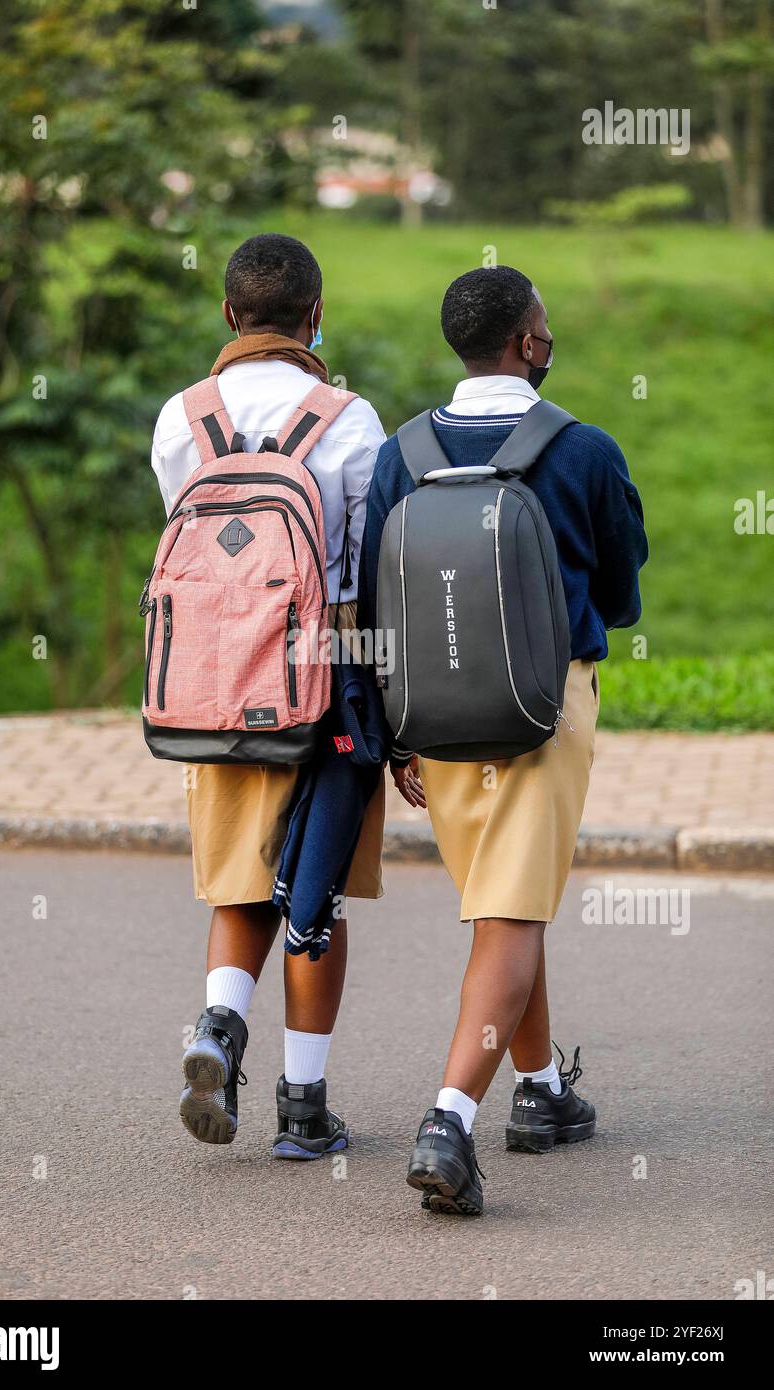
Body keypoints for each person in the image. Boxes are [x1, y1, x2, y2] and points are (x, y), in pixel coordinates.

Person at [358, 265, 648, 1215]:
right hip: (541, 709)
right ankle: (449, 1120)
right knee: (513, 913)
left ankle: (542, 1093)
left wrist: (393, 726)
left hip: (433, 716)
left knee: (503, 902)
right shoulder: (584, 449)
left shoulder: (403, 454)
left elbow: (375, 595)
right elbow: (619, 592)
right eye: (546, 327)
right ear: (528, 343)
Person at [150, 233, 386, 1159]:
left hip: (207, 689)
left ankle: (216, 1027)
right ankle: (303, 1107)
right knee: (313, 897)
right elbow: (359, 576)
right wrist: (374, 710)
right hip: (318, 686)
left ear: (227, 314)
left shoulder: (182, 418)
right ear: (315, 316)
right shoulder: (351, 420)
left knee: (239, 880)